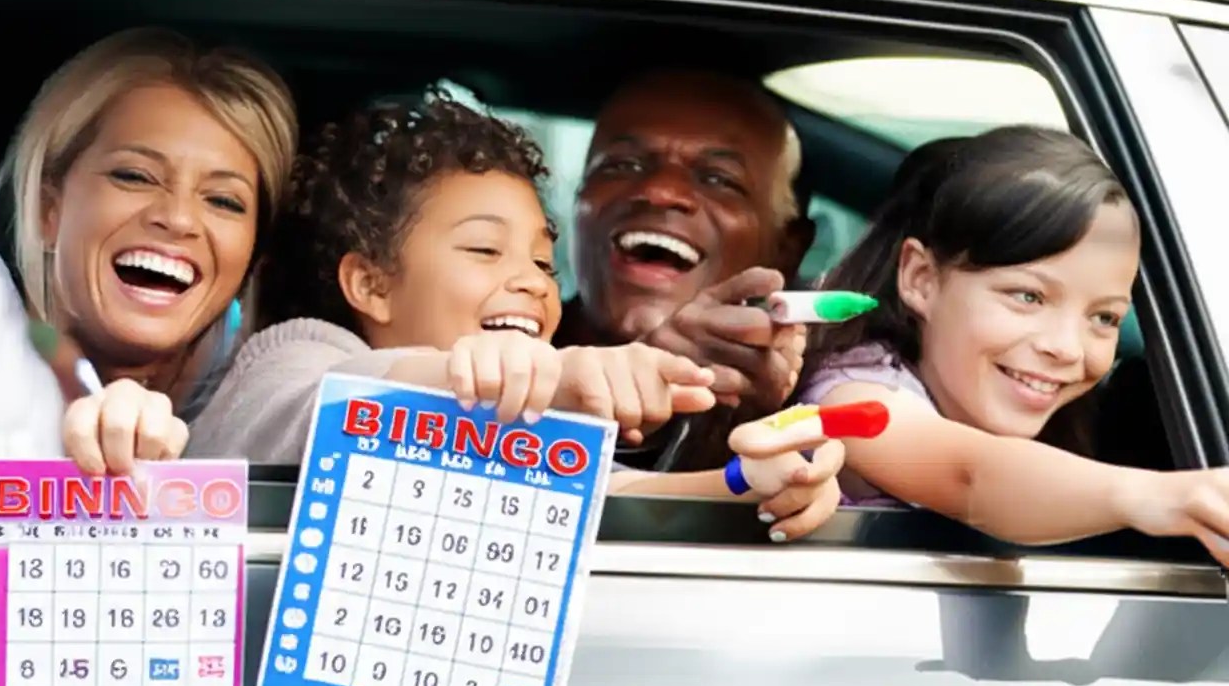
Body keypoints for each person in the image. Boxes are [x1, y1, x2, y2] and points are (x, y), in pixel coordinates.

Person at [187, 94, 845, 527]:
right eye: (483, 249)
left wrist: (759, 480)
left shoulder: (507, 418)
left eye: (542, 263)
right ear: (371, 284)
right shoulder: (298, 354)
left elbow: (617, 500)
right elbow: (329, 406)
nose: (532, 284)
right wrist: (498, 377)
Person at [738, 125, 1229, 566]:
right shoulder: (856, 397)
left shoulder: (1055, 424)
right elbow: (969, 477)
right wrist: (1158, 494)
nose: (1067, 348)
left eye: (1103, 318)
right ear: (923, 280)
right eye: (1028, 296)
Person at [0, 27, 296, 484]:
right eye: (135, 176)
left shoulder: (263, 381)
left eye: (223, 201)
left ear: (252, 257)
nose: (178, 219)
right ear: (47, 209)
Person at [554, 69, 818, 476]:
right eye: (622, 165)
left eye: (718, 179)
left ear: (788, 247)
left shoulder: (814, 399)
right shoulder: (496, 352)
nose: (661, 191)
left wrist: (729, 420)